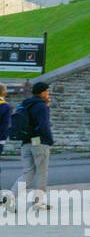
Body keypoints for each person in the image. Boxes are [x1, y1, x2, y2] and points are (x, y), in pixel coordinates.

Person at [13, 81, 54, 211]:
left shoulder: (25, 104)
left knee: (28, 173)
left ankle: (9, 197)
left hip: (25, 142)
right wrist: (50, 140)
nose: (48, 93)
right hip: (39, 143)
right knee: (42, 173)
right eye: (47, 91)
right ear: (42, 92)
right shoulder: (42, 106)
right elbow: (44, 126)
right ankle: (38, 202)